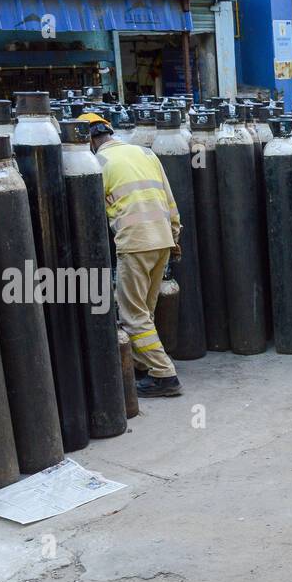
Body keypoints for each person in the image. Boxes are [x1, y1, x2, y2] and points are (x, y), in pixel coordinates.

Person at [79, 111, 183, 397]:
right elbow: (169, 198)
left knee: (132, 314)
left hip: (135, 243)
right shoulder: (145, 153)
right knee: (144, 312)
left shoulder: (97, 163)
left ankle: (164, 374)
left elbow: (91, 209)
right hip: (162, 240)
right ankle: (141, 366)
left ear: (89, 140)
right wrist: (174, 236)